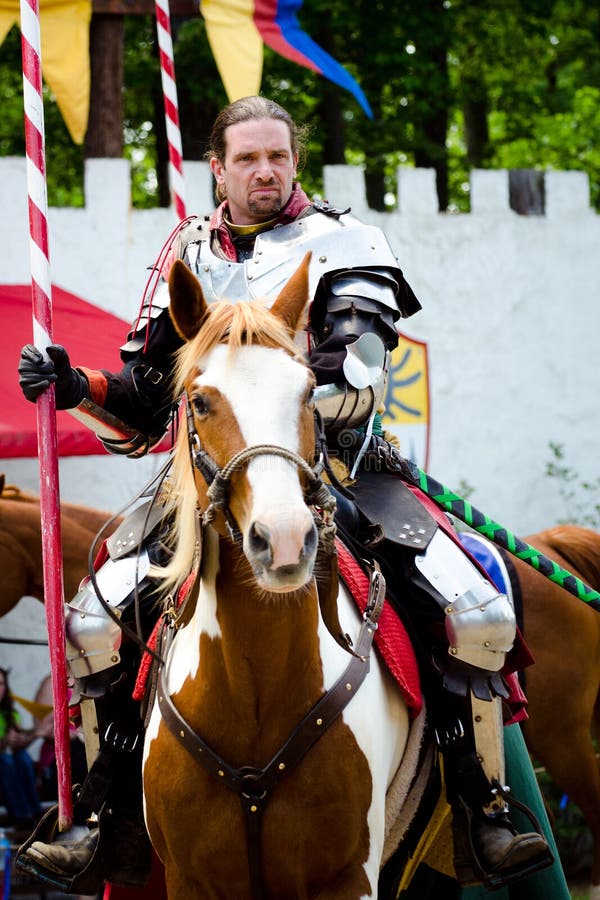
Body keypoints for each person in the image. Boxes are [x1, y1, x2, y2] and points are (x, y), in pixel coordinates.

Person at [16, 96, 551, 894]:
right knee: (93, 618)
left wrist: (296, 392)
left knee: (476, 606)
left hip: (342, 465)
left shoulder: (344, 242)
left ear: (294, 161)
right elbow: (144, 392)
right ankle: (99, 813)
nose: (265, 170)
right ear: (219, 168)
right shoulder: (186, 254)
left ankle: (485, 807)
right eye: (248, 159)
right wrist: (76, 381)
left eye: (278, 156)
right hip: (211, 482)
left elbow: (367, 349)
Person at [0, 668, 45, 837]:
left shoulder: (11, 714)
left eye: (2, 684)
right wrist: (4, 742)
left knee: (23, 757)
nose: (0, 688)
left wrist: (24, 738)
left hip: (9, 764)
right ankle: (22, 814)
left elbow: (21, 741)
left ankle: (35, 811)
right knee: (6, 761)